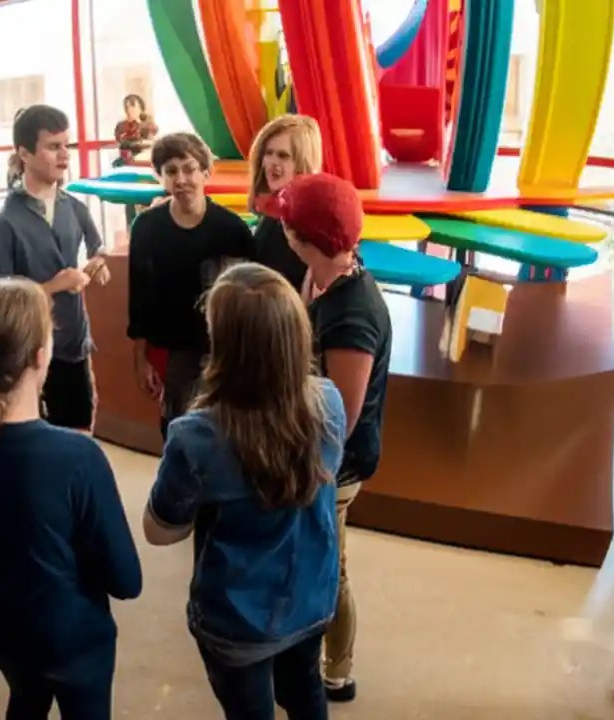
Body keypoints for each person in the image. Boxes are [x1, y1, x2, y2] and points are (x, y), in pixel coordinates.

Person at [0, 279, 142, 720]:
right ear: (41, 356)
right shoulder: (76, 455)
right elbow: (126, 579)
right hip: (71, 632)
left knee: (26, 690)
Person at [144, 262, 347, 720]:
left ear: (225, 346)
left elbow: (159, 530)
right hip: (312, 596)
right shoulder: (330, 401)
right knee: (305, 689)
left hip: (237, 618)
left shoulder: (196, 434)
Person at [264, 173, 392, 702]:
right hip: (315, 456)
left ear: (302, 238)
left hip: (335, 468)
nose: (283, 232)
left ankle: (336, 670)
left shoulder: (352, 316)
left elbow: (338, 418)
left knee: (330, 568)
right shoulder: (321, 277)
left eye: (288, 225)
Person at [0, 104, 109, 433]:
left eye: (66, 145)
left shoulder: (74, 207)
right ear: (24, 153)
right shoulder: (5, 223)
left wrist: (97, 263)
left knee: (81, 434)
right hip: (29, 352)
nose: (64, 155)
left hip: (74, 344)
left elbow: (98, 247)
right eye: (53, 147)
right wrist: (54, 285)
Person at [128, 132, 255, 437]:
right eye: (171, 171)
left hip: (220, 351)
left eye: (189, 169)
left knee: (220, 434)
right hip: (171, 354)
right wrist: (140, 360)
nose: (181, 179)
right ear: (161, 177)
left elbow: (249, 302)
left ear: (206, 173)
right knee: (176, 431)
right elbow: (139, 297)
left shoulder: (232, 230)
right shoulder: (146, 228)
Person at [248, 115, 324, 291]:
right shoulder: (272, 217)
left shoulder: (308, 221)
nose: (272, 163)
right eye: (268, 153)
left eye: (283, 156)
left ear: (302, 162)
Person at [113, 94, 157, 166]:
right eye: (127, 107)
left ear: (141, 107)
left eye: (133, 106)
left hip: (145, 157)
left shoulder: (148, 124)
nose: (130, 110)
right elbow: (122, 143)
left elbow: (151, 140)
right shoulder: (121, 125)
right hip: (128, 158)